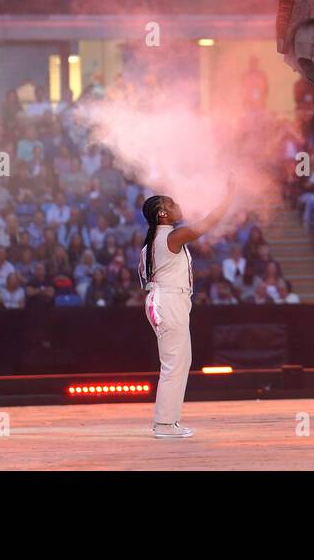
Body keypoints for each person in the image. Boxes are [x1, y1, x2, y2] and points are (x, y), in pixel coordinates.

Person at [139, 174, 240, 439]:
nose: (177, 205)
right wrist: (228, 197)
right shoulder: (170, 237)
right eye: (171, 203)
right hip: (169, 300)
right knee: (174, 364)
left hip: (167, 300)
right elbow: (207, 224)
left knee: (177, 362)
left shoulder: (154, 242)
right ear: (162, 213)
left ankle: (166, 422)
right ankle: (164, 425)